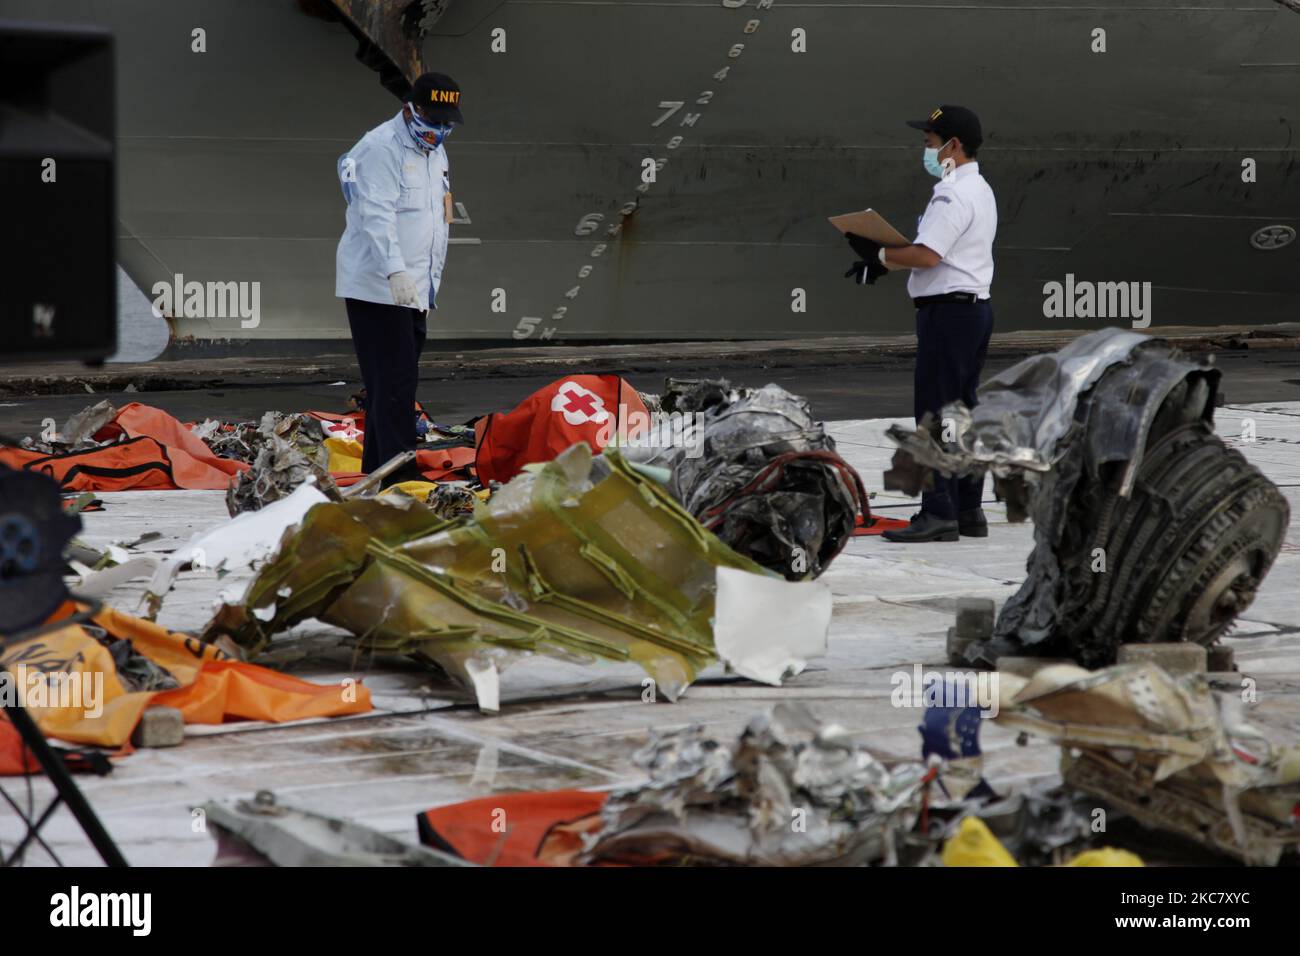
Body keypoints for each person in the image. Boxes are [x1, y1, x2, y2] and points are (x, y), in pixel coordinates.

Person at [844, 104, 997, 543]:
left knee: (934, 414)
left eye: (931, 142)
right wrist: (886, 263)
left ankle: (938, 513)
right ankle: (969, 510)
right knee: (961, 413)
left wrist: (879, 256)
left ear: (953, 145)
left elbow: (928, 255)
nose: (926, 149)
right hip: (974, 311)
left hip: (948, 316)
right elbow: (940, 254)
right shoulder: (981, 189)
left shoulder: (950, 194)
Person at [335, 72, 463, 485]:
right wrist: (395, 271)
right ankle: (399, 475)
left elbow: (436, 217)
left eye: (448, 124)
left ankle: (377, 469)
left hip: (416, 289)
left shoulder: (435, 153)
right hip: (379, 288)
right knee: (395, 385)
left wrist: (426, 282)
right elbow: (376, 216)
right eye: (434, 120)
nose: (440, 131)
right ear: (413, 108)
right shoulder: (380, 148)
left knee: (391, 384)